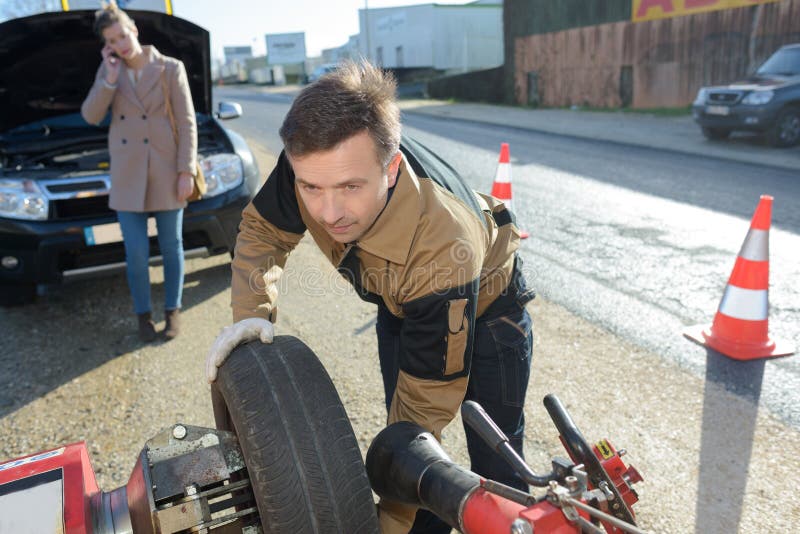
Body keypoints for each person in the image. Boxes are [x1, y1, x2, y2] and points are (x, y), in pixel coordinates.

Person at [206, 61, 534, 534]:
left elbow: (424, 409)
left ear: (391, 167)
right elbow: (262, 230)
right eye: (310, 188)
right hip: (405, 307)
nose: (328, 212)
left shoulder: (441, 245)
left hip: (487, 312)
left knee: (496, 469)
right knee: (405, 446)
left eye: (350, 188)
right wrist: (251, 315)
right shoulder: (315, 160)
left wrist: (386, 523)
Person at [81, 1, 198, 341]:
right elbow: (90, 115)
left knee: (172, 245)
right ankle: (142, 316)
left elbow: (188, 123)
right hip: (128, 175)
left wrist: (185, 170)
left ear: (133, 27)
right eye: (113, 40)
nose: (121, 43)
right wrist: (110, 78)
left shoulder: (170, 68)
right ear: (108, 46)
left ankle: (173, 311)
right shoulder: (109, 73)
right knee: (135, 253)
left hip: (166, 170)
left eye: (122, 34)